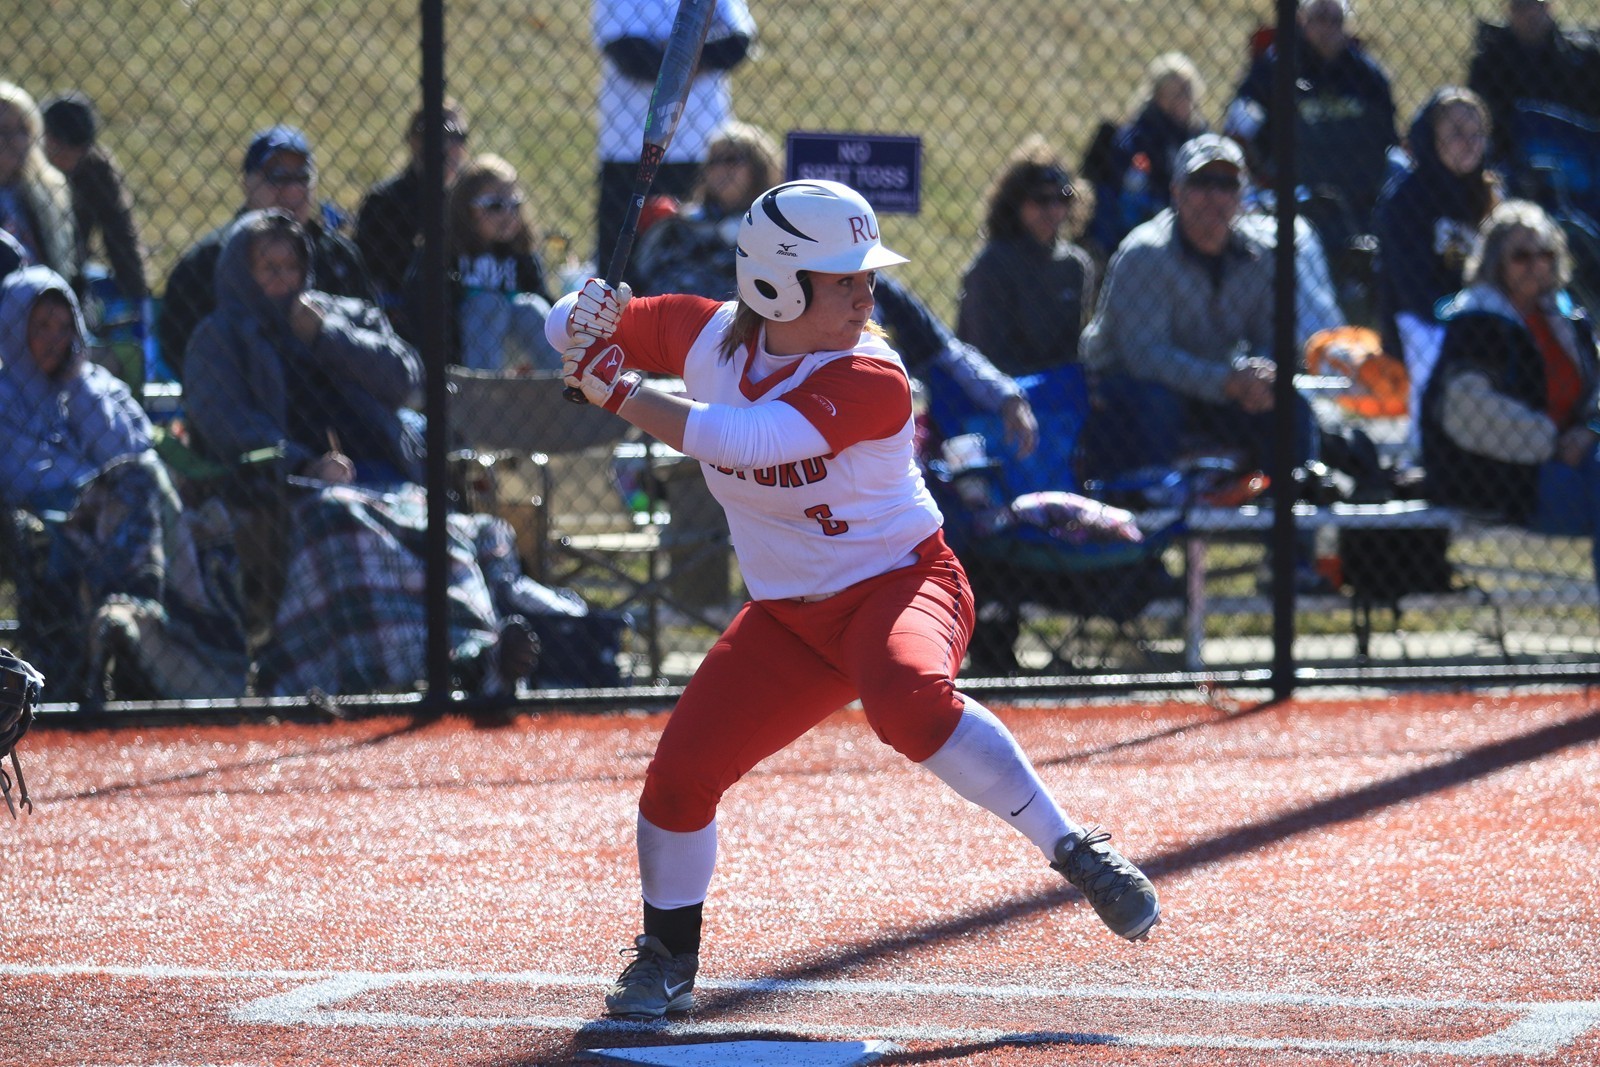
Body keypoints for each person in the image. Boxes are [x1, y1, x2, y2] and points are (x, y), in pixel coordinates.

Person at [549, 179, 1160, 1019]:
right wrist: (580, 318)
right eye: (845, 280)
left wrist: (616, 388)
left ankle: (1073, 846)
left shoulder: (872, 372)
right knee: (678, 779)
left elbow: (747, 439)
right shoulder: (704, 334)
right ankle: (667, 957)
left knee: (906, 702)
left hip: (901, 582)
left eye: (864, 277)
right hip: (787, 617)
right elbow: (567, 323)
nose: (866, 294)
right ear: (775, 286)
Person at [183, 210, 422, 632]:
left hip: (384, 471)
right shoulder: (218, 337)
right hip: (292, 488)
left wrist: (327, 335)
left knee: (446, 527)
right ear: (242, 272)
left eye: (292, 267)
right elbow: (226, 424)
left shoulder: (338, 315)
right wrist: (304, 465)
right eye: (269, 269)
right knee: (344, 516)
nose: (284, 280)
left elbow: (404, 379)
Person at [1079, 133, 1344, 478]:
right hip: (1128, 391)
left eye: (1227, 184)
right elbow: (1144, 357)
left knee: (1289, 405)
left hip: (1212, 387)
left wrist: (1261, 376)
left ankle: (1290, 512)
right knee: (1157, 401)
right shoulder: (1144, 253)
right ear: (1176, 191)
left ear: (1242, 196)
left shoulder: (1262, 254)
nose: (1214, 196)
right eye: (1201, 183)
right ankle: (1151, 510)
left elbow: (1275, 337)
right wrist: (1225, 382)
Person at [0, 266, 177, 700]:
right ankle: (117, 638)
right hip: (51, 512)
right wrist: (88, 482)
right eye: (40, 326)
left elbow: (131, 454)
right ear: (11, 326)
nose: (54, 339)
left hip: (118, 504)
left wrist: (78, 388)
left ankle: (138, 638)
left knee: (143, 484)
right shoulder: (4, 395)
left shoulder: (96, 385)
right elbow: (20, 473)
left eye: (64, 326)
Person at [1421, 199, 1600, 594]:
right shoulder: (1477, 322)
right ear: (1495, 263)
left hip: (1579, 460)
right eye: (1521, 256)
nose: (1536, 265)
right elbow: (1469, 413)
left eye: (1546, 254)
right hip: (1505, 479)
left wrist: (1590, 430)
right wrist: (1553, 442)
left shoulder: (1568, 320)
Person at [157, 125, 377, 382]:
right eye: (278, 176)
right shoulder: (210, 259)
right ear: (247, 183)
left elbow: (372, 333)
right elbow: (177, 348)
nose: (293, 190)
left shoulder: (339, 256)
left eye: (303, 177)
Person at [1374, 88, 1501, 445]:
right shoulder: (1407, 199)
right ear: (1431, 139)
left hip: (1482, 313)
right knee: (1435, 346)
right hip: (1423, 317)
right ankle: (1427, 447)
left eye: (1477, 134)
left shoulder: (1490, 194)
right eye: (1457, 133)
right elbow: (1412, 288)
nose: (1469, 143)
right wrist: (1460, 320)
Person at [593, 0, 757, 268]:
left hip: (702, 148)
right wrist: (700, 46)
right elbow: (632, 57)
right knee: (621, 265)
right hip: (630, 150)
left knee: (699, 262)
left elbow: (736, 45)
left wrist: (668, 52)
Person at [1224, 0, 1397, 246]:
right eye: (1319, 18)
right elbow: (1241, 125)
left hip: (1360, 198)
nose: (1327, 28)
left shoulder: (1367, 76)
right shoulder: (1275, 69)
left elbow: (1388, 139)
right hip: (1289, 197)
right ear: (1302, 20)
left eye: (1336, 20)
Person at [958, 138, 1099, 381]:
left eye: (1063, 198)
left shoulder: (1075, 266)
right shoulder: (992, 265)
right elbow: (986, 355)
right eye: (1041, 199)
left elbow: (1077, 349)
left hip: (1058, 389)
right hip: (998, 391)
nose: (1053, 209)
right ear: (1015, 202)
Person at [402, 153, 559, 371]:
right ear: (467, 209)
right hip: (461, 354)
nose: (507, 214)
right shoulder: (443, 250)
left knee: (530, 307)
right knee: (488, 303)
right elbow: (424, 308)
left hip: (514, 351)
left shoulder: (521, 252)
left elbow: (543, 298)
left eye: (515, 205)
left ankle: (566, 388)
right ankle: (481, 394)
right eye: (494, 206)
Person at [354, 99, 470, 336]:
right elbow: (369, 275)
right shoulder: (384, 201)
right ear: (413, 141)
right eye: (436, 134)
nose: (447, 146)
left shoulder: (472, 201)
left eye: (458, 136)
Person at [631, 121, 780, 300]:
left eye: (731, 160)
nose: (720, 170)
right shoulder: (682, 225)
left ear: (758, 168)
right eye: (713, 161)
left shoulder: (775, 225)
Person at [1085, 52, 1211, 260]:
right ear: (1157, 96)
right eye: (1175, 93)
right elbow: (1127, 194)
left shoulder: (1200, 135)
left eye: (1187, 91)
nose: (1183, 99)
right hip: (1146, 225)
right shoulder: (1136, 137)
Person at [39, 91, 149, 305]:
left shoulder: (96, 167)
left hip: (75, 267)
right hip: (26, 265)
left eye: (77, 150)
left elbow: (121, 234)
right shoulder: (22, 163)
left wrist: (138, 299)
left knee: (104, 285)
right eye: (59, 147)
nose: (68, 158)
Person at [1467, 0, 1600, 172]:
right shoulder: (1490, 62)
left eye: (1536, 4)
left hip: (1579, 164)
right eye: (1520, 5)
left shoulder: (1584, 58)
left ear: (1550, 6)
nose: (1529, 12)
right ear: (1509, 9)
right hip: (1511, 165)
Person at [0, 82, 77, 281]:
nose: (17, 140)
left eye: (24, 130)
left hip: (41, 303)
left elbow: (70, 271)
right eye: (4, 130)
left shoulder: (48, 190)